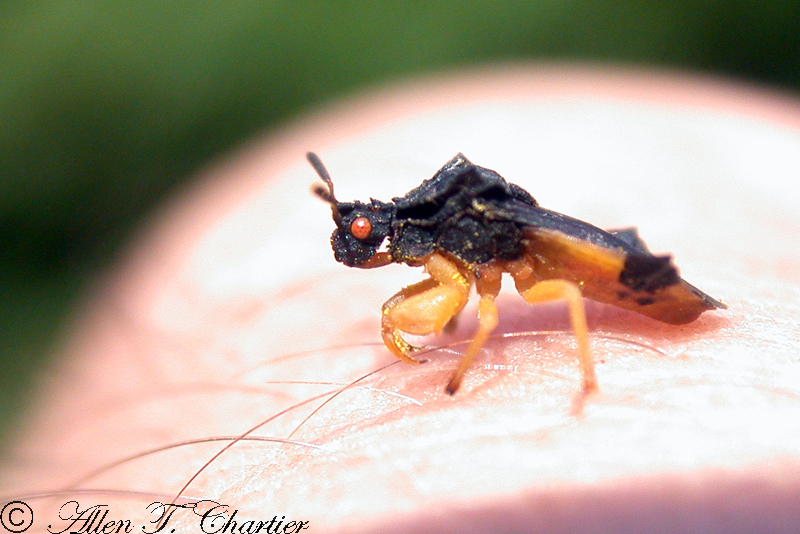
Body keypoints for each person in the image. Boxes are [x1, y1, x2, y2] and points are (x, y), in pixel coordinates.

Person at [4, 65, 800, 534]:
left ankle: (589, 380)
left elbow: (480, 307)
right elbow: (453, 291)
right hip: (573, 264)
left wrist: (462, 369)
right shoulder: (440, 239)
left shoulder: (459, 232)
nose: (361, 241)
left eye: (360, 230)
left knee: (529, 297)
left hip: (624, 279)